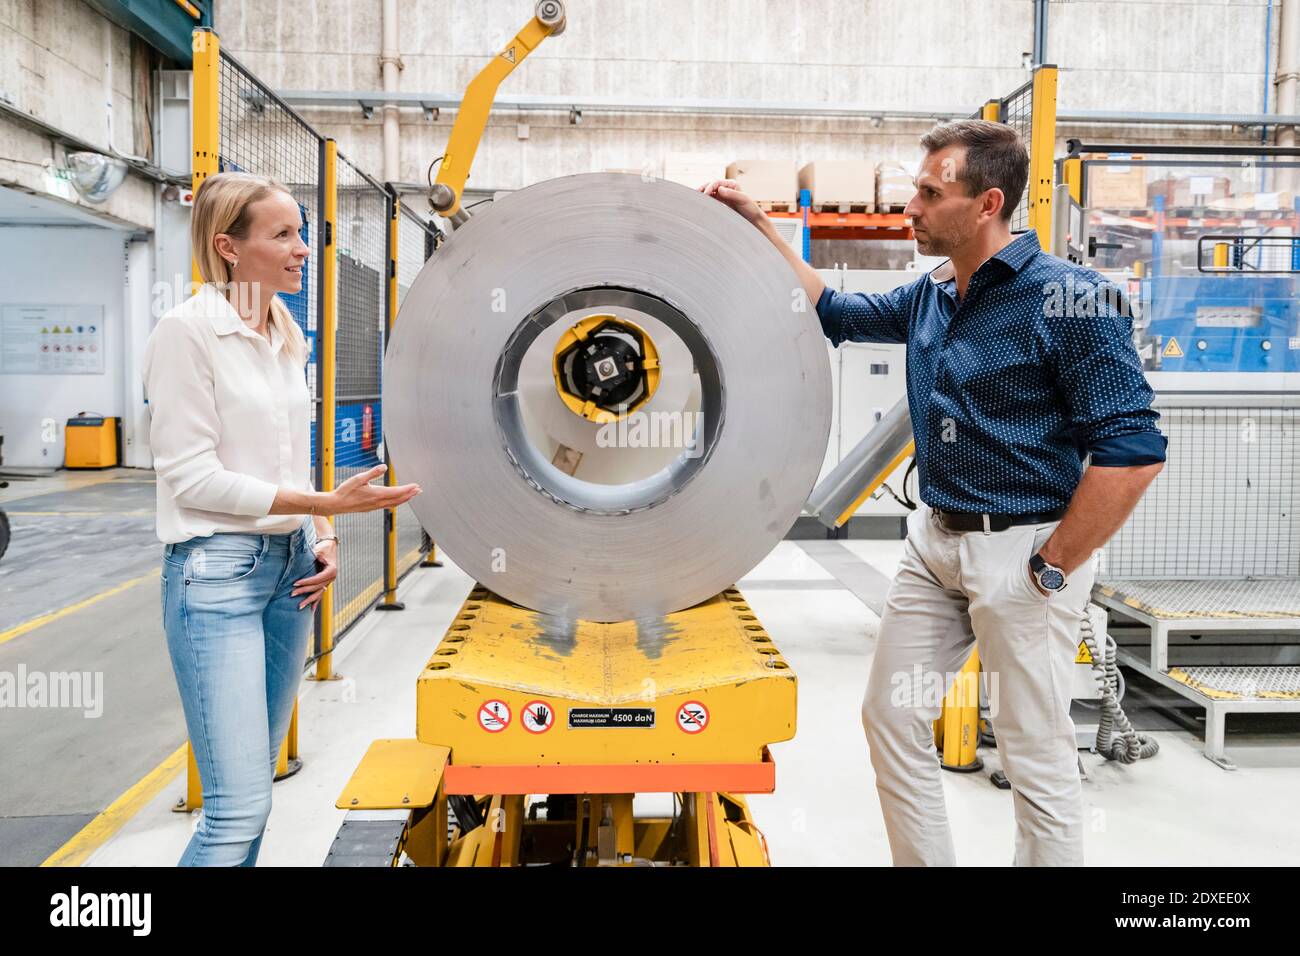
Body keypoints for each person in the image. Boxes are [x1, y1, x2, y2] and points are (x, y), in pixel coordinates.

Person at [702, 120, 1167, 866]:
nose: (909, 209)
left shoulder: (1073, 301)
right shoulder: (934, 295)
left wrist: (1052, 567)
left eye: (927, 193)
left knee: (1034, 758)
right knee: (891, 716)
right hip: (937, 546)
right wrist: (761, 225)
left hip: (1026, 554)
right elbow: (837, 314)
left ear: (987, 203)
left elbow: (1133, 453)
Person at [142, 171, 420, 866]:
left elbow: (288, 458)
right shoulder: (187, 334)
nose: (303, 250)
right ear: (227, 247)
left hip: (289, 573)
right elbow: (191, 478)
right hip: (216, 578)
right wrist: (326, 506)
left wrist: (321, 535)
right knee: (234, 813)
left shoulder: (282, 329)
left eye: (300, 233)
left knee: (257, 794)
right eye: (284, 235)